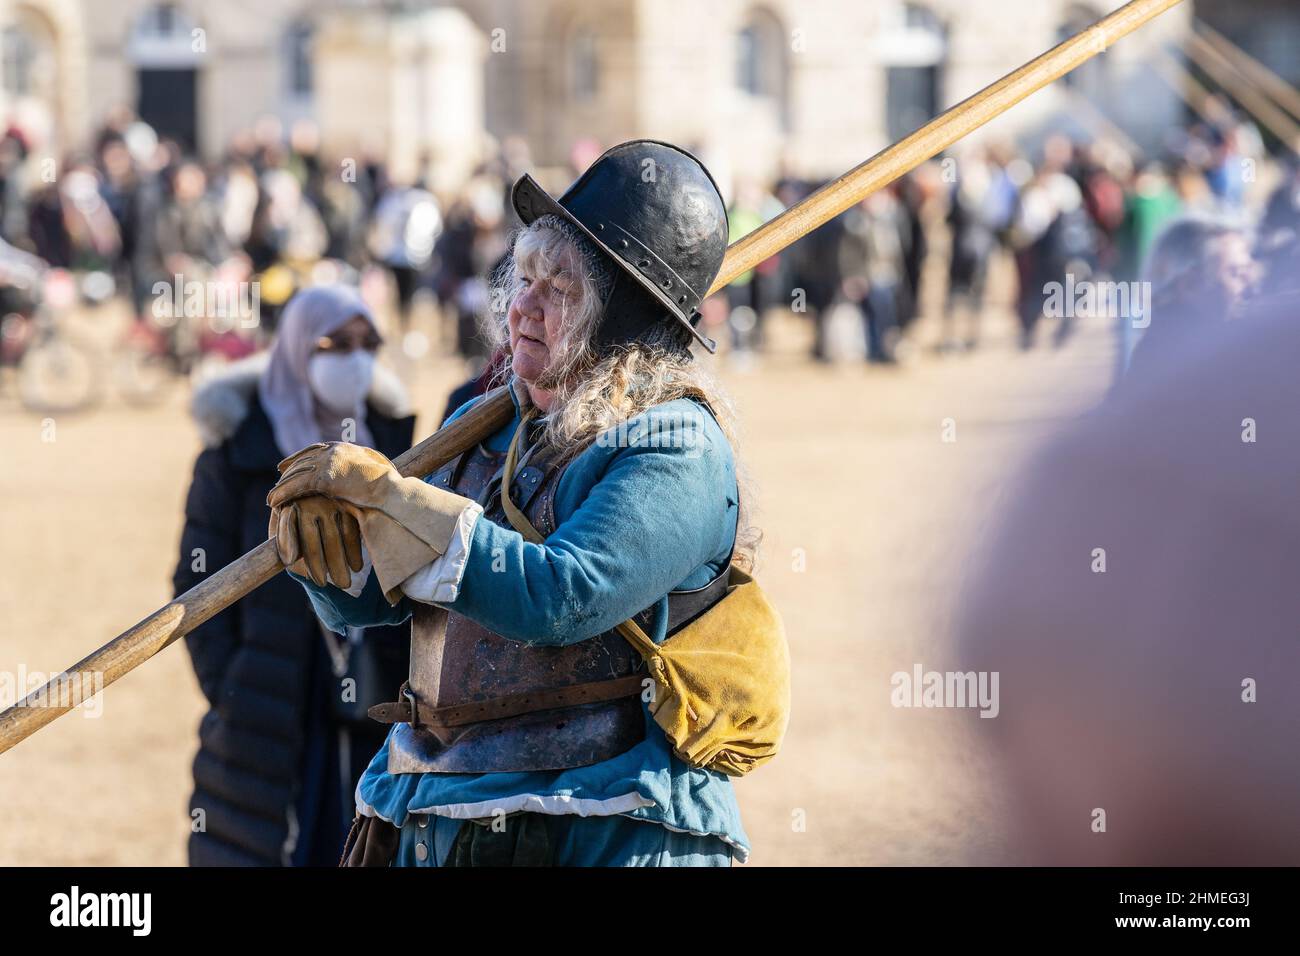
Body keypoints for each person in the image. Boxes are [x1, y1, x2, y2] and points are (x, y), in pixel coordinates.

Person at [268, 141, 766, 867]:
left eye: (560, 289)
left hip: (610, 824)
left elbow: (561, 598)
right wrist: (323, 549)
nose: (524, 307)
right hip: (441, 810)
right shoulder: (481, 426)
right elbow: (374, 599)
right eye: (525, 278)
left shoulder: (675, 444)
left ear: (621, 317)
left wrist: (400, 505)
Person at [175, 285, 415, 865]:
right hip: (270, 702)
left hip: (374, 704)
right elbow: (195, 583)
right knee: (268, 841)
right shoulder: (238, 451)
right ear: (298, 350)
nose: (353, 358)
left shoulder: (394, 449)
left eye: (366, 343)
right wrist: (235, 684)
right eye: (335, 344)